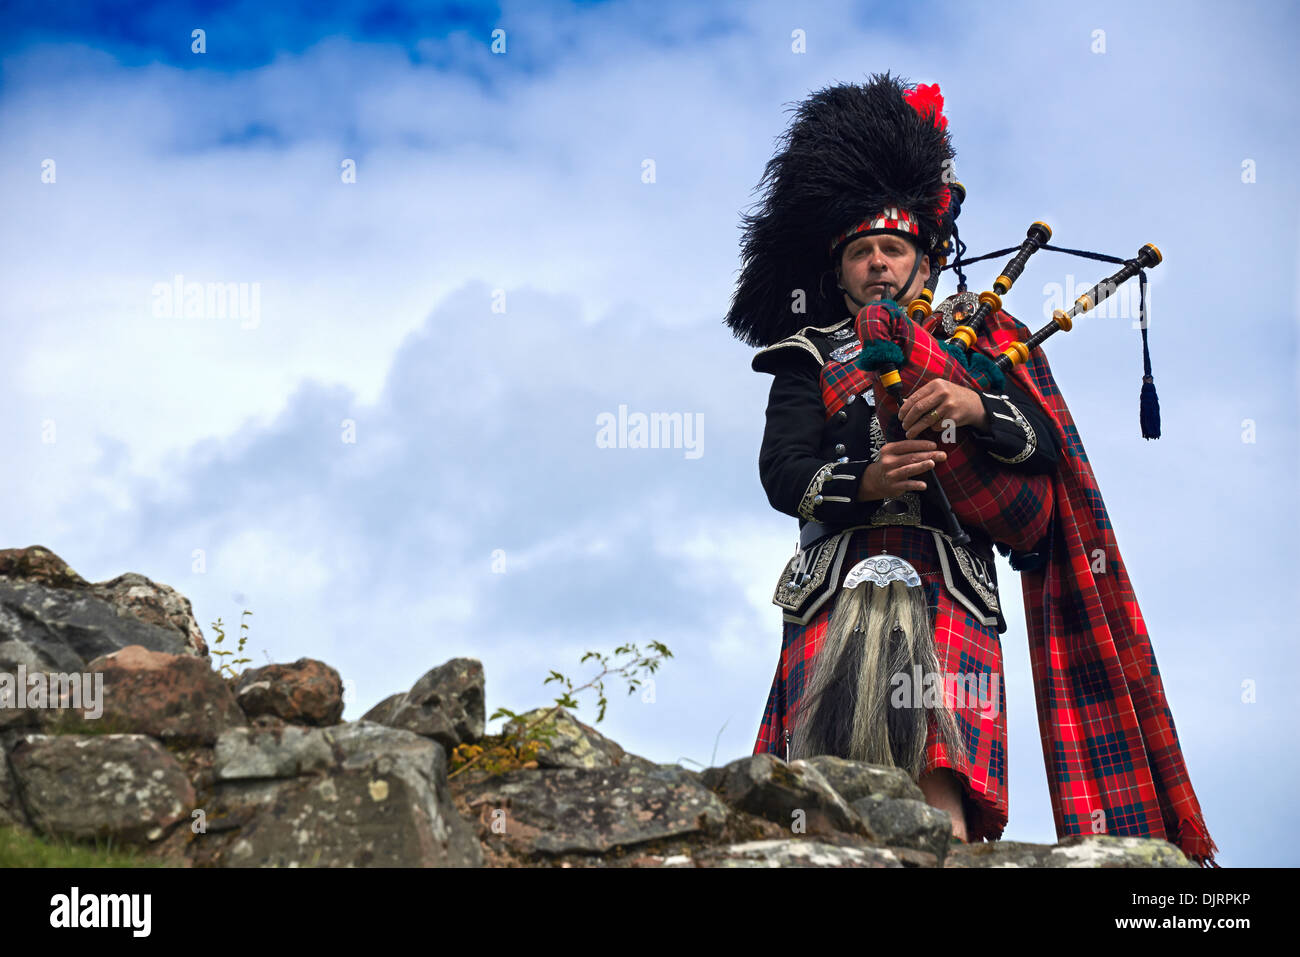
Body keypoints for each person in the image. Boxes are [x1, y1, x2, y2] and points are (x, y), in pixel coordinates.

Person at [724, 72, 1219, 865]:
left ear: (925, 258)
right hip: (834, 576)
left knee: (938, 786)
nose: (877, 264)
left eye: (893, 247)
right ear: (840, 267)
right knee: (816, 794)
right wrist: (868, 482)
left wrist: (971, 405)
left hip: (946, 579)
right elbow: (783, 473)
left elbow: (1047, 448)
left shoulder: (976, 340)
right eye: (861, 251)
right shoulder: (806, 356)